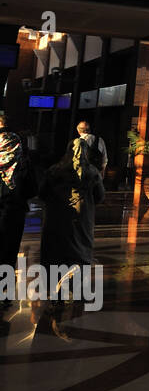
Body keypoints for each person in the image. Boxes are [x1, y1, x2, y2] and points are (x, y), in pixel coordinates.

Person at [37, 139, 105, 337]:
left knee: (55, 255)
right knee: (78, 254)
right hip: (80, 222)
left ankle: (56, 296)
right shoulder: (92, 173)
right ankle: (74, 294)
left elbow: (42, 194)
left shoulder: (54, 171)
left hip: (56, 222)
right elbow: (100, 197)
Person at [0, 113, 37, 311]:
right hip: (14, 209)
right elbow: (32, 187)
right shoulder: (20, 150)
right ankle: (4, 294)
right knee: (8, 252)